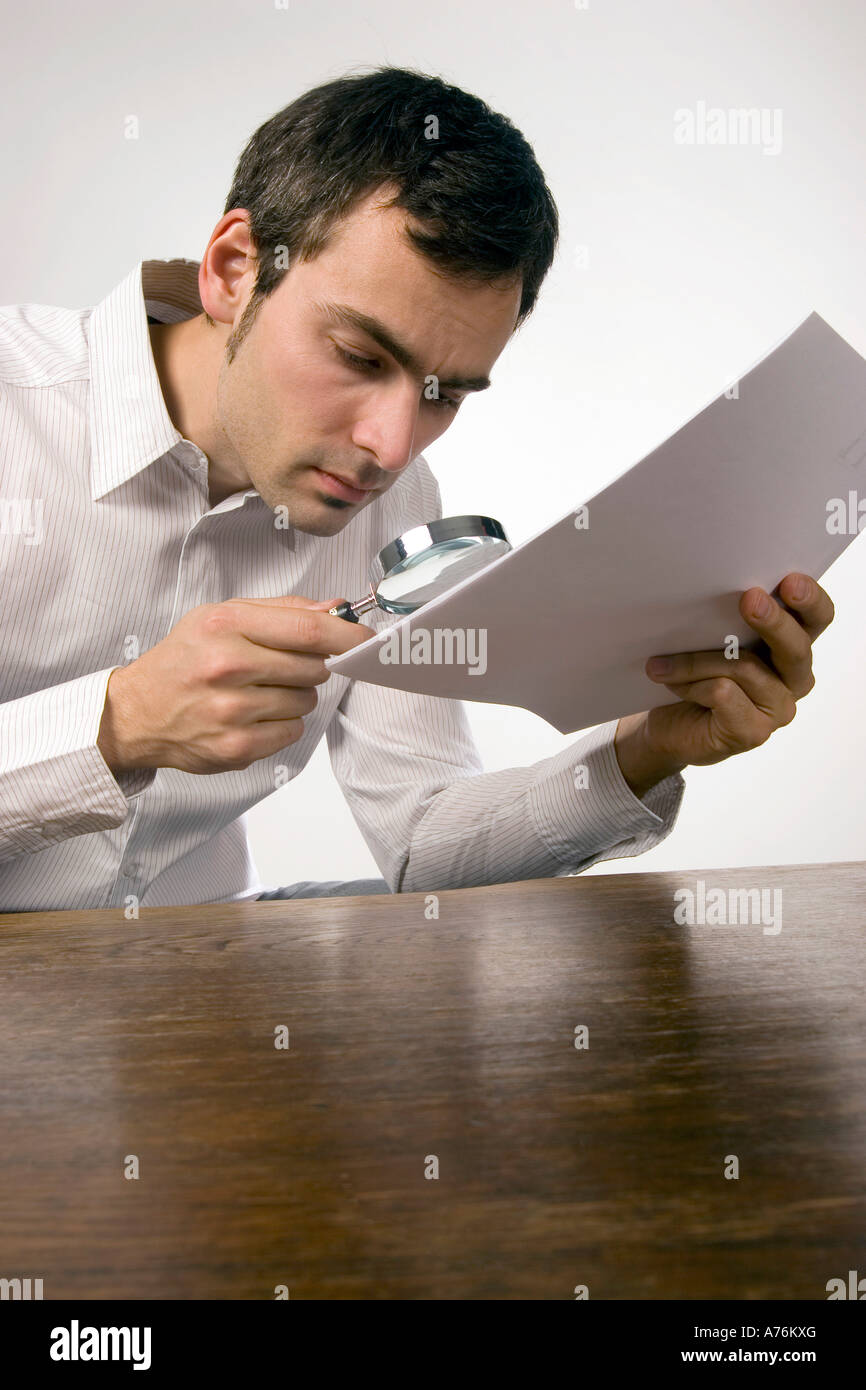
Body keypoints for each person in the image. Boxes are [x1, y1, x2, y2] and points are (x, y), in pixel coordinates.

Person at [0, 67, 833, 911]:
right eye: (361, 358)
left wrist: (648, 746)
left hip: (204, 982)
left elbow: (426, 845)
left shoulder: (390, 499)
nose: (390, 447)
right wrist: (116, 725)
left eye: (449, 393)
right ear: (234, 268)